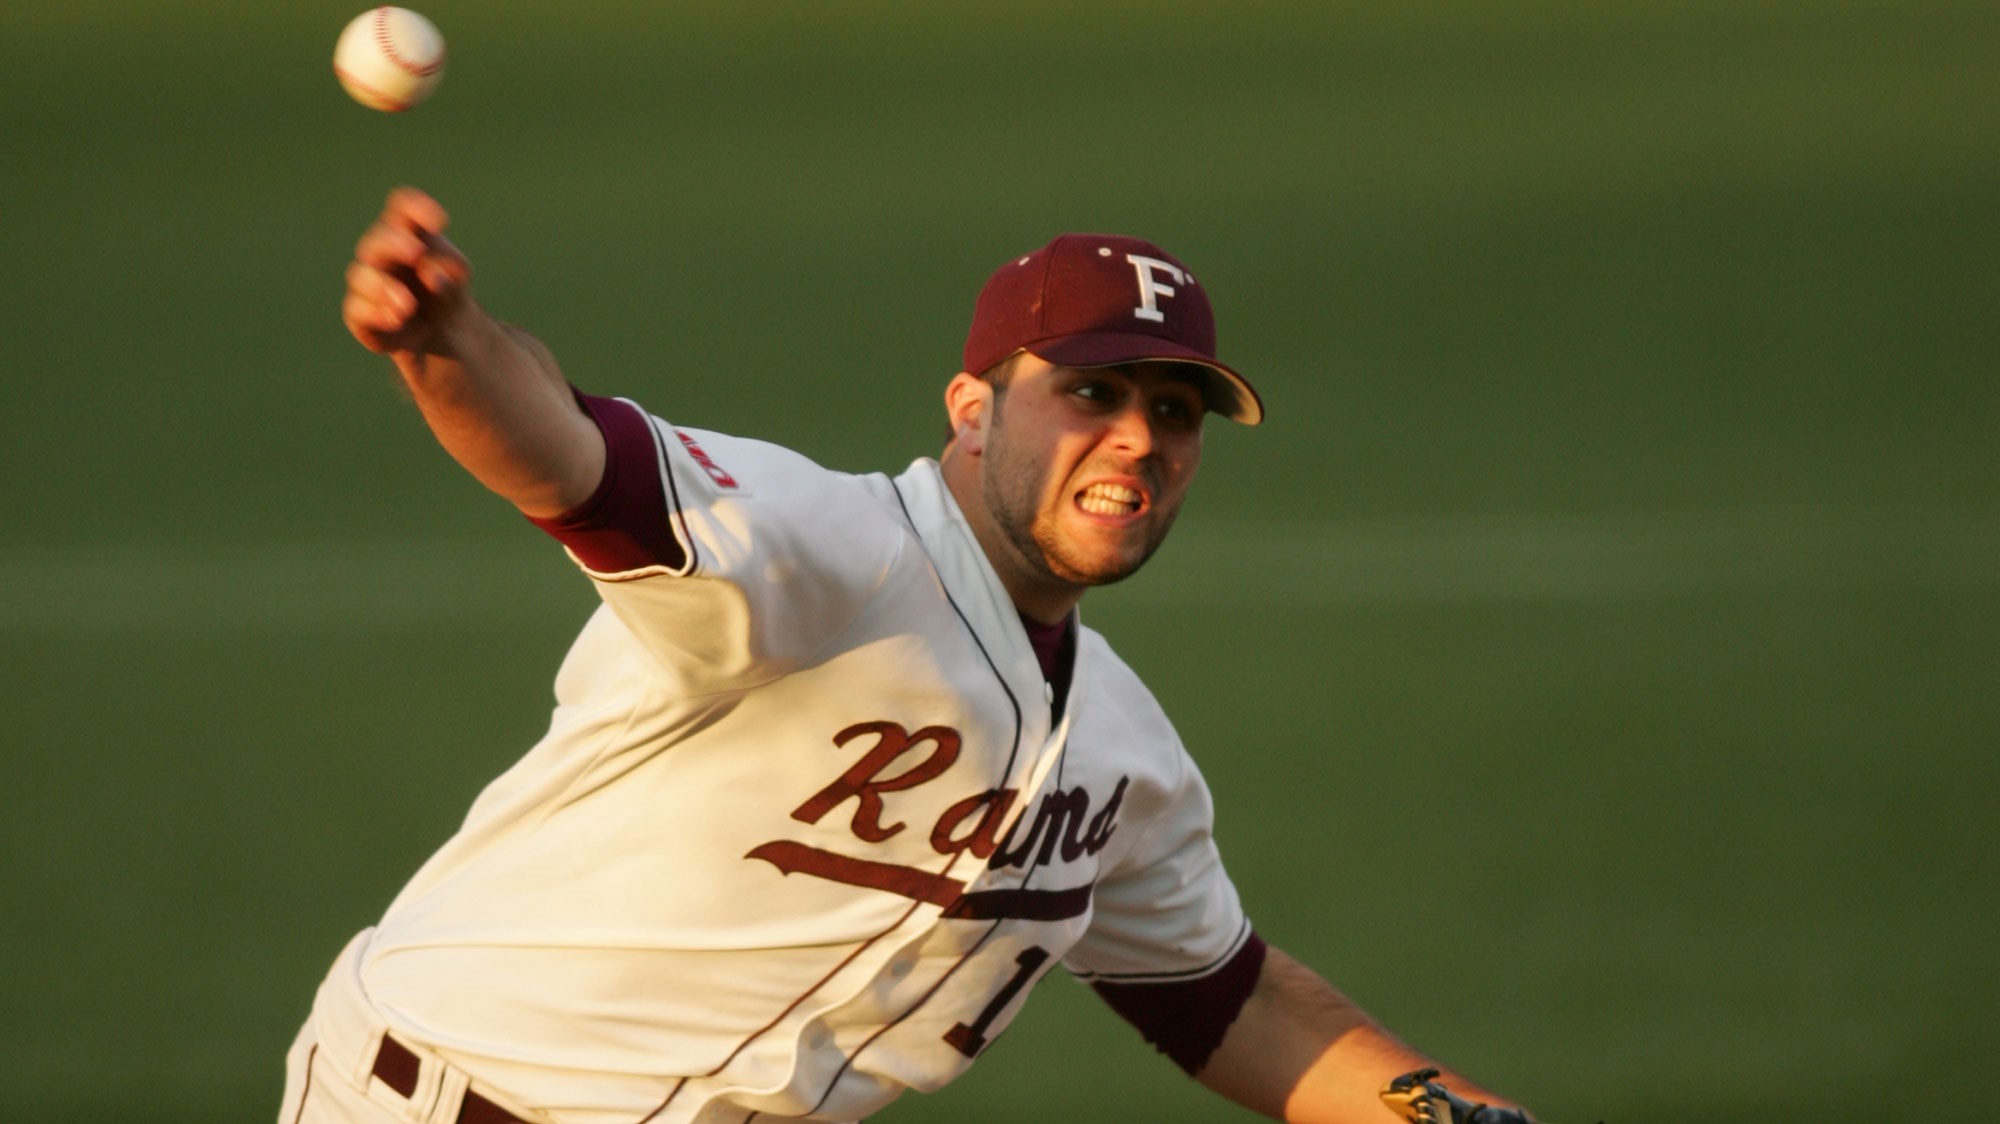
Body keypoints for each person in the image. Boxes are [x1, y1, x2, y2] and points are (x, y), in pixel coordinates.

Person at [282, 186, 1537, 1124]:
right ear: (972, 407)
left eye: (1172, 410)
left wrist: (1453, 1113)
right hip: (439, 1093)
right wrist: (444, 346)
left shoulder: (1119, 753)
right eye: (1091, 394)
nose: (1138, 439)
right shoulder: (825, 549)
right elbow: (569, 456)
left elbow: (1231, 999)